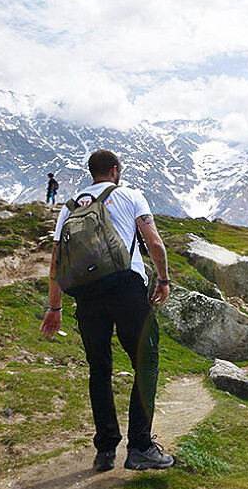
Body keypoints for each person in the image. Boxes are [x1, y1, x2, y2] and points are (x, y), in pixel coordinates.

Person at [40, 150, 172, 472]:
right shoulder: (130, 195)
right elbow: (153, 243)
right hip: (127, 289)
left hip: (88, 297)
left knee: (99, 369)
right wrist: (164, 279)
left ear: (91, 173)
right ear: (115, 171)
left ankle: (105, 450)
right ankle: (140, 446)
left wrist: (54, 307)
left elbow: (57, 262)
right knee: (145, 362)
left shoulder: (70, 208)